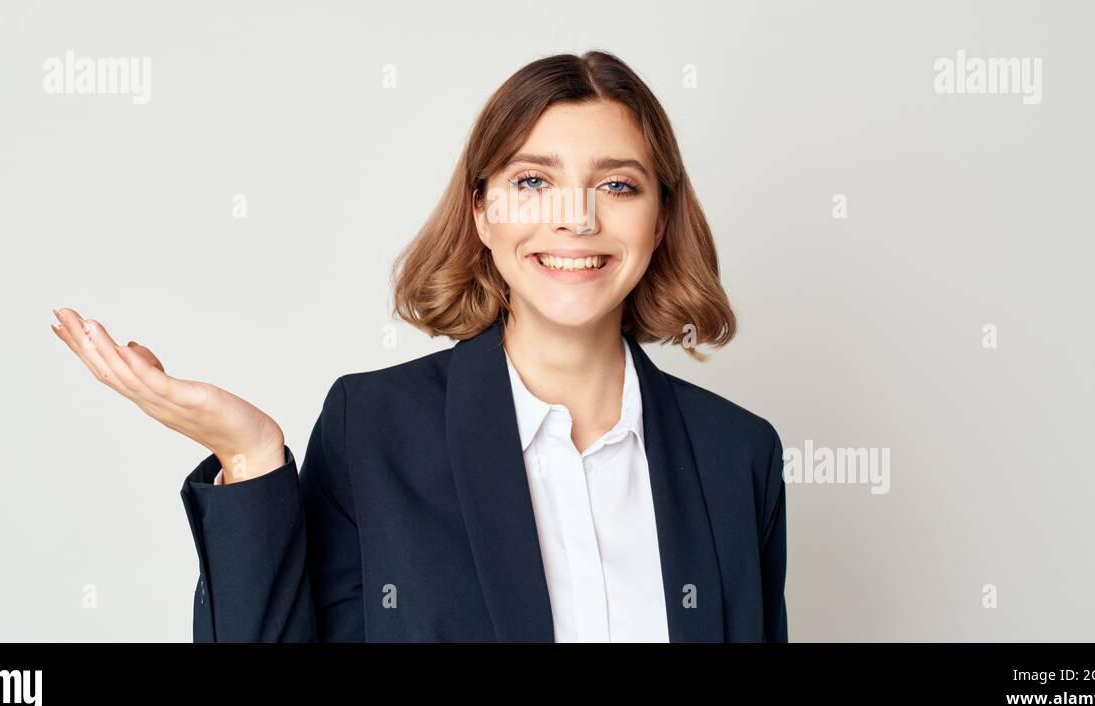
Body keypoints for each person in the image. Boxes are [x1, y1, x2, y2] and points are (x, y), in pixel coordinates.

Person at [50, 50, 788, 642]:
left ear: (660, 219)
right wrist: (249, 459)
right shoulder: (373, 427)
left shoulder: (738, 456)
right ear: (482, 212)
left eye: (619, 186)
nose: (577, 220)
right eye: (534, 180)